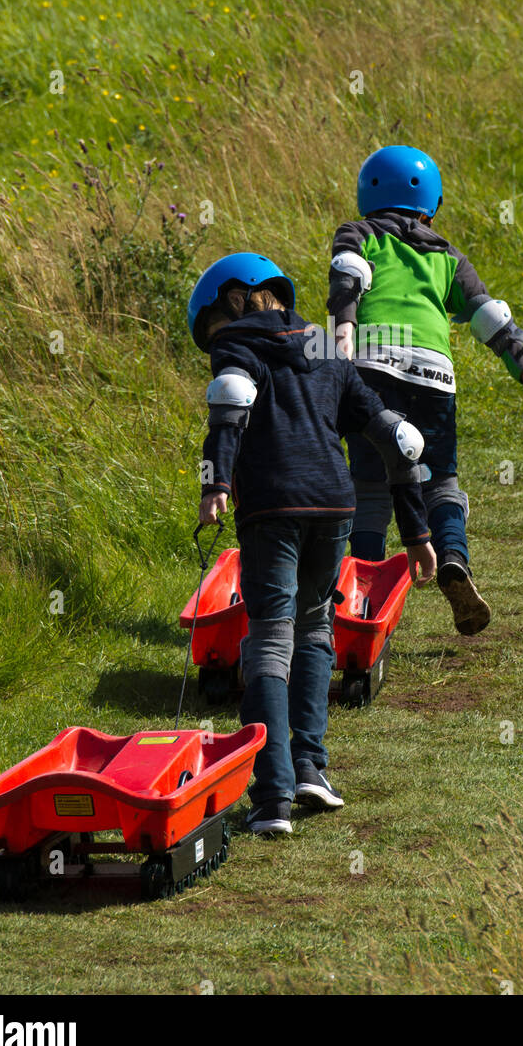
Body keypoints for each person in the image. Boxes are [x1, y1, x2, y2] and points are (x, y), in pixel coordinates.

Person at [188, 251, 436, 837]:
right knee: (316, 625)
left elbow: (229, 401)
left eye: (216, 328)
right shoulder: (326, 347)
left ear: (234, 299)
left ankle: (271, 799)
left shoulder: (239, 342)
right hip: (333, 503)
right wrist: (418, 531)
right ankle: (311, 769)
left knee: (269, 637)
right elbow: (396, 438)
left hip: (272, 506)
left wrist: (215, 483)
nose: (219, 340)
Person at [326, 145, 523, 636]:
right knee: (439, 483)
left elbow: (348, 274)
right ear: (430, 203)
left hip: (372, 370)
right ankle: (454, 558)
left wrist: (344, 331)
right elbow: (490, 317)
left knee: (370, 490)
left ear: (367, 194)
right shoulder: (447, 254)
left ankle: (357, 603)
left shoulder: (360, 233)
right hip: (433, 379)